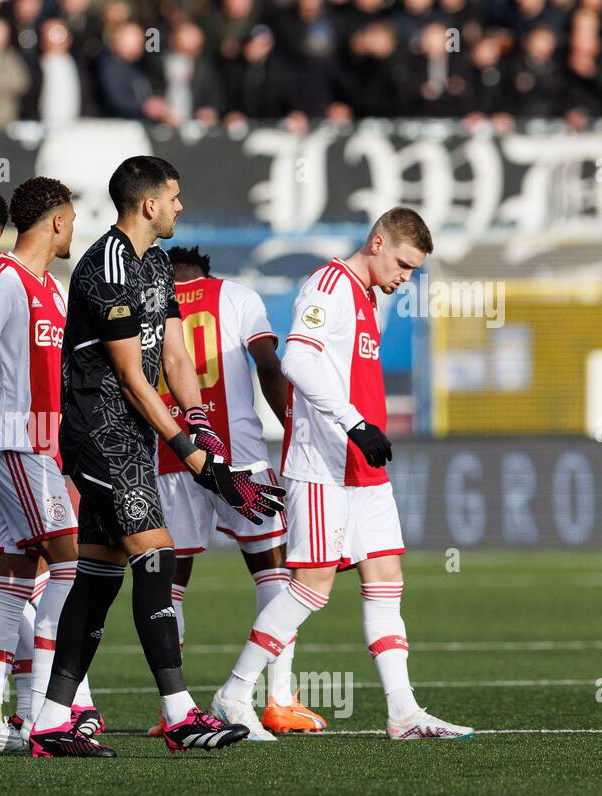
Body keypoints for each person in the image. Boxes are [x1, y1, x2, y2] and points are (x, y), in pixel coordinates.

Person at [32, 155, 283, 757]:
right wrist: (193, 458)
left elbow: (173, 355)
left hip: (131, 436)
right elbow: (128, 376)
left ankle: (48, 721)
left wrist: (201, 425)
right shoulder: (108, 266)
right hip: (101, 432)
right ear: (148, 204)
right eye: (174, 197)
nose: (179, 207)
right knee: (158, 554)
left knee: (96, 576)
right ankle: (180, 715)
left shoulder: (156, 265)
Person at [212, 207, 474, 741]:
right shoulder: (328, 286)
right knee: (311, 587)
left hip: (362, 467)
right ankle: (235, 692)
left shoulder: (368, 297)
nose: (406, 277)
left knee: (386, 579)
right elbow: (298, 364)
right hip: (321, 464)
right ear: (377, 242)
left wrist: (363, 432)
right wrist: (357, 424)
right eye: (402, 263)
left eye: (414, 271)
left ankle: (403, 712)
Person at [146, 245, 327, 738]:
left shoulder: (148, 299)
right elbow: (269, 366)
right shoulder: (237, 296)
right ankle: (278, 699)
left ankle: (174, 713)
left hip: (171, 454)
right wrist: (292, 425)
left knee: (170, 583)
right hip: (238, 455)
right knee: (273, 571)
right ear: (205, 270)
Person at [0, 176, 83, 753]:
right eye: (73, 219)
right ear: (57, 221)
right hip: (16, 445)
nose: (75, 229)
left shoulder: (52, 289)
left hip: (41, 448)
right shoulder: (2, 278)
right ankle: (46, 714)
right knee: (74, 569)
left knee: (11, 582)